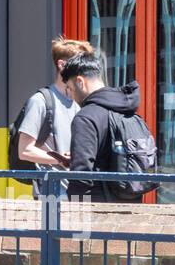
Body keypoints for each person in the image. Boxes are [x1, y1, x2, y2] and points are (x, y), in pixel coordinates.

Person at [59, 51, 145, 202]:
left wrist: (73, 207)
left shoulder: (85, 117)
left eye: (70, 89)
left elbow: (81, 175)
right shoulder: (126, 109)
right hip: (132, 203)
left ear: (80, 82)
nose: (71, 96)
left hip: (99, 208)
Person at [14, 37, 93, 196]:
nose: (84, 71)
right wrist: (60, 160)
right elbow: (24, 151)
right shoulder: (40, 102)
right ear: (61, 65)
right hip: (51, 196)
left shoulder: (79, 103)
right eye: (80, 65)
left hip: (77, 193)